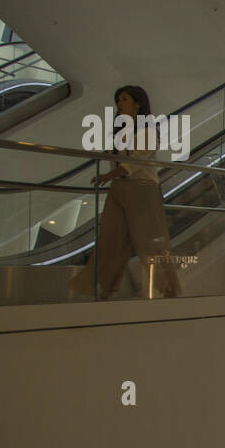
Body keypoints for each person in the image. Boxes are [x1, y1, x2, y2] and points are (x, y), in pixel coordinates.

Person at [69, 85, 182, 300]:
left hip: (142, 189)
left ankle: (168, 288)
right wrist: (111, 178)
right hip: (119, 189)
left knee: (151, 240)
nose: (120, 104)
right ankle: (104, 287)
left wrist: (108, 177)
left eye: (124, 99)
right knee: (111, 238)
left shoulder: (148, 131)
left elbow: (135, 161)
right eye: (119, 100)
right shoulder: (121, 132)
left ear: (138, 104)